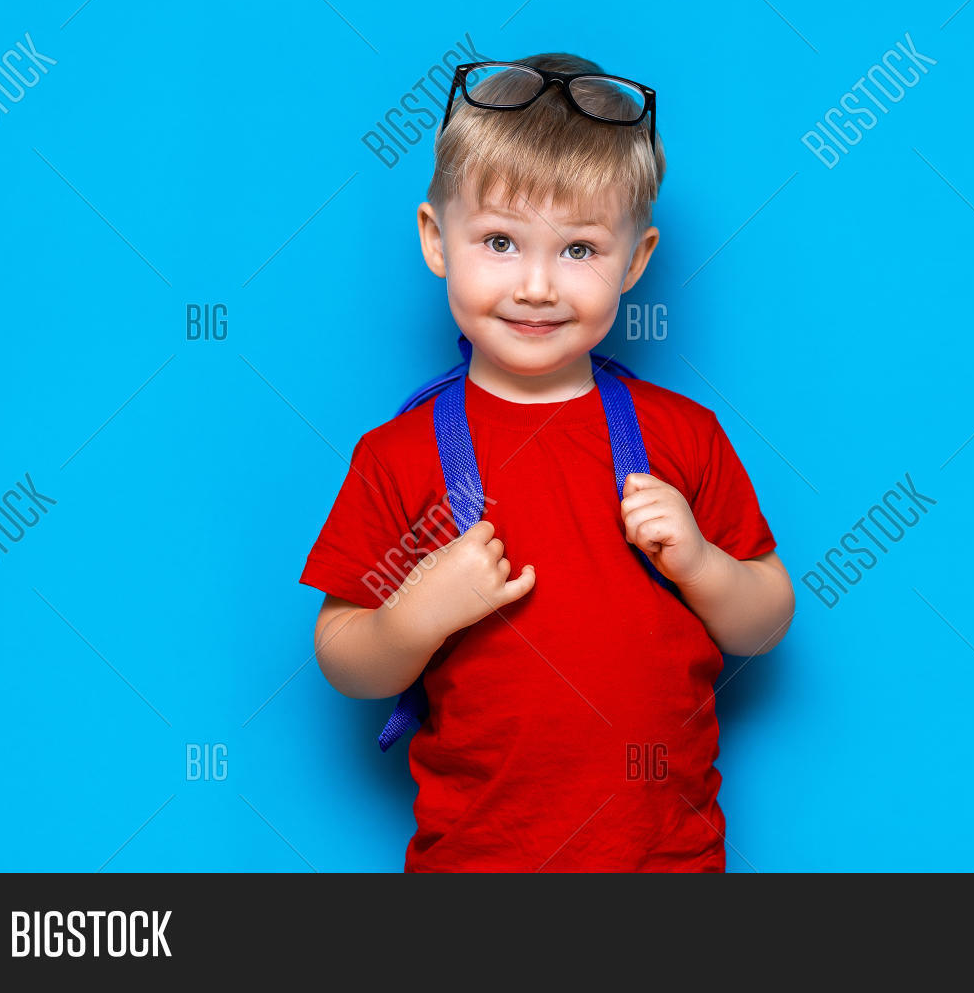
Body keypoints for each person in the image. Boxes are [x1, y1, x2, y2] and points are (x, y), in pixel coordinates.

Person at [298, 52, 793, 872]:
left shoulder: (684, 434)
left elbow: (766, 621)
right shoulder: (399, 455)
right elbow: (342, 656)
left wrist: (702, 564)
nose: (536, 285)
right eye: (499, 241)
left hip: (666, 860)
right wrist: (416, 615)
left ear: (635, 260)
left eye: (579, 249)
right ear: (436, 240)